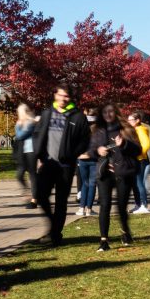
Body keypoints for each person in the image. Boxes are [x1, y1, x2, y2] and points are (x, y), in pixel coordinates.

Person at [31, 86, 92, 247]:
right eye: (60, 95)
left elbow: (85, 139)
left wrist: (74, 153)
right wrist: (39, 154)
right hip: (47, 163)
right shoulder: (47, 113)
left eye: (66, 96)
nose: (63, 99)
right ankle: (52, 225)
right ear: (55, 95)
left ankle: (55, 234)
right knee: (41, 196)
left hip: (65, 165)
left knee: (61, 201)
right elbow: (37, 134)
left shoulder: (77, 116)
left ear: (70, 98)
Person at [88, 105, 142, 252]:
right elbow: (91, 151)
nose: (108, 114)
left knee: (121, 206)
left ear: (116, 113)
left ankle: (125, 232)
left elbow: (139, 150)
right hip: (105, 173)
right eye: (104, 112)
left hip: (123, 172)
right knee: (104, 205)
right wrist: (97, 151)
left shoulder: (127, 129)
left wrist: (124, 144)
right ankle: (103, 240)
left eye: (110, 111)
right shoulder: (97, 131)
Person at [12, 104, 39, 208]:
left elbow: (20, 135)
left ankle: (34, 200)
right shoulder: (23, 123)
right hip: (22, 152)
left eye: (20, 112)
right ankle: (27, 191)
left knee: (32, 175)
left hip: (31, 151)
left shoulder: (31, 122)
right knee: (19, 175)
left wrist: (18, 126)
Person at [129, 111, 150, 214]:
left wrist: (139, 154)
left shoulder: (140, 129)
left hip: (140, 160)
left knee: (139, 183)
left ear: (138, 120)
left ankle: (143, 205)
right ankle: (138, 204)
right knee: (135, 184)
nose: (129, 121)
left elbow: (147, 144)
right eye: (128, 119)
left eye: (131, 120)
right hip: (136, 159)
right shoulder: (135, 129)